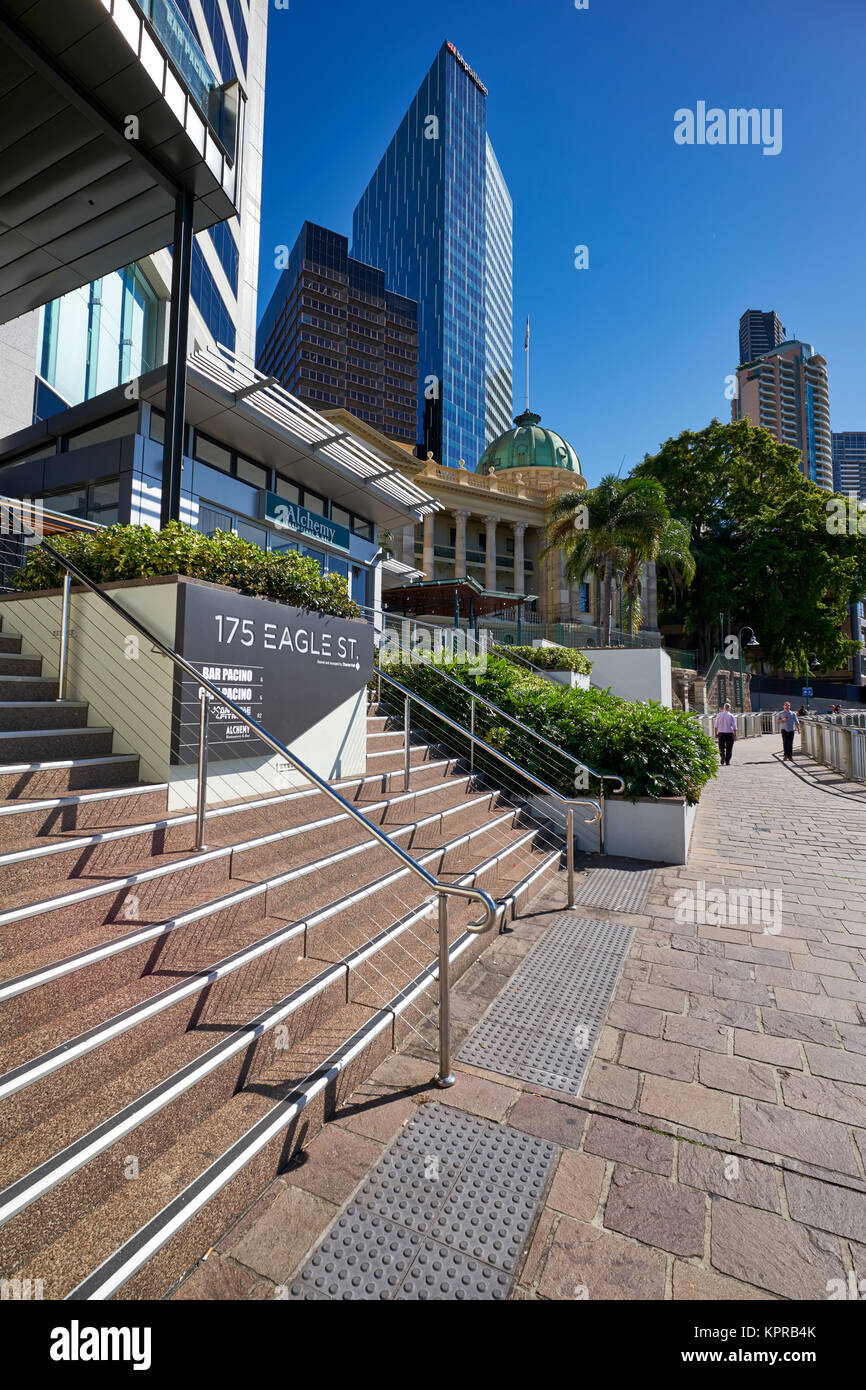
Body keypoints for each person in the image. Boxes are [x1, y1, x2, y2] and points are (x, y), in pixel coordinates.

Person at [713, 701, 737, 766]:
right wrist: (735, 735)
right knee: (729, 748)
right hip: (729, 733)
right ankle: (727, 761)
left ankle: (722, 756)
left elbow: (716, 726)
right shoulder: (731, 716)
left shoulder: (719, 715)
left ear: (724, 708)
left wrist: (716, 733)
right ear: (729, 708)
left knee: (721, 747)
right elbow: (734, 726)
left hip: (721, 733)